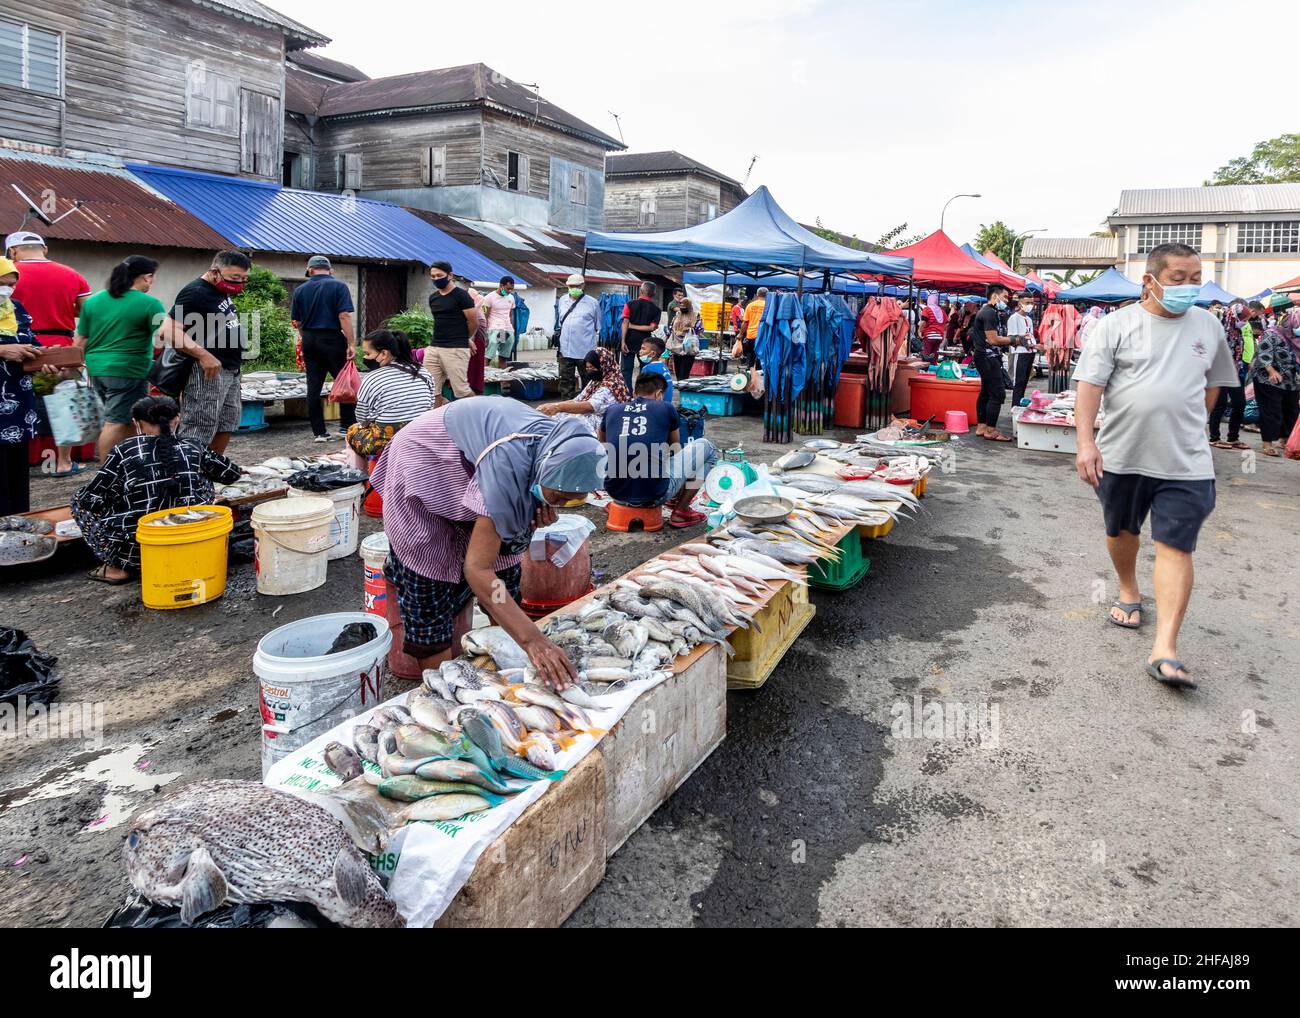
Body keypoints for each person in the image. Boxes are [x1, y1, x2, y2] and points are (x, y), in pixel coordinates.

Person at [1073, 242, 1238, 690]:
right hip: (1124, 455)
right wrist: (1086, 443)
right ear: (1150, 281)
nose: (1189, 287)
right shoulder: (1116, 325)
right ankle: (1128, 588)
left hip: (1187, 461)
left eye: (1195, 278)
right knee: (1122, 532)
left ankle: (1165, 649)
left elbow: (1213, 386)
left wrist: (1189, 425)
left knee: (1176, 545)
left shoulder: (1210, 326)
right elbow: (1089, 388)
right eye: (1178, 279)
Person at [371, 395, 605, 684]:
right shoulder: (509, 468)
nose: (557, 505)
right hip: (424, 464)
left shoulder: (560, 449)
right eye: (557, 497)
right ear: (546, 470)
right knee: (429, 582)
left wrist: (527, 520)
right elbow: (478, 570)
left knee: (504, 570)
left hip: (477, 467)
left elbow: (501, 551)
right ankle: (444, 686)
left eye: (569, 502)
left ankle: (509, 658)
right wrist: (533, 641)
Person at [70, 395, 241, 585]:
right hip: (195, 544)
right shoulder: (194, 446)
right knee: (202, 480)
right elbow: (231, 474)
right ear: (177, 418)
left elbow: (89, 499)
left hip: (137, 555)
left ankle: (115, 567)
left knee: (79, 500)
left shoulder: (124, 450)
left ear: (137, 423)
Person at [6, 230, 92, 476]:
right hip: (60, 348)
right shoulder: (71, 274)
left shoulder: (8, 274)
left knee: (18, 402)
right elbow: (89, 315)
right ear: (44, 249)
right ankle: (63, 462)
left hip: (16, 349)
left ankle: (20, 460)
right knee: (64, 403)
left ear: (13, 251)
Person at [155, 250, 250, 454]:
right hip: (206, 372)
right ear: (215, 272)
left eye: (243, 279)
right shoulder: (196, 292)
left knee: (226, 423)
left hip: (229, 369)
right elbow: (168, 331)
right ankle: (188, 476)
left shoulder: (219, 291)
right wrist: (204, 356)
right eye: (235, 278)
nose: (239, 283)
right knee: (199, 426)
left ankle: (211, 471)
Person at [75, 256, 166, 464]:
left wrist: (71, 366)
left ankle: (129, 464)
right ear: (147, 277)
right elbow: (164, 336)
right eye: (153, 278)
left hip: (96, 369)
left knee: (127, 419)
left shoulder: (95, 301)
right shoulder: (149, 303)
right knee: (115, 422)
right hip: (128, 370)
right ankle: (106, 472)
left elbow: (80, 339)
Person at [599, 370, 717, 529]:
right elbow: (675, 448)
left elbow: (604, 443)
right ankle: (681, 511)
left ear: (635, 392)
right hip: (654, 494)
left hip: (616, 493)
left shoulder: (613, 409)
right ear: (660, 394)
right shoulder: (666, 408)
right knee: (707, 448)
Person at [291, 255, 356, 443]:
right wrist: (351, 343)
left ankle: (319, 432)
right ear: (330, 270)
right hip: (332, 338)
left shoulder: (300, 290)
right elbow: (344, 315)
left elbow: (297, 321)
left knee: (314, 386)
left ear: (310, 271)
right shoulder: (339, 286)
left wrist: (307, 339)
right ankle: (347, 426)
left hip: (309, 339)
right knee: (345, 382)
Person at [0, 257, 47, 513]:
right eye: (1, 284)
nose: (6, 290)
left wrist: (45, 360)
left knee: (15, 471)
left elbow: (31, 343)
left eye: (11, 285)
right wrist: (3, 350)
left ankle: (16, 525)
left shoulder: (15, 308)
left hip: (17, 401)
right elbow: (9, 349)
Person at [347, 329, 436, 459]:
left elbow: (362, 417)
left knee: (352, 430)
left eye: (367, 353)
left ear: (384, 353)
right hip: (422, 436)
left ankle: (364, 475)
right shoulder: (422, 372)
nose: (365, 358)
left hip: (387, 443)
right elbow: (430, 405)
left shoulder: (372, 378)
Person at [537, 348, 629, 433]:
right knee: (556, 417)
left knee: (572, 424)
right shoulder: (596, 382)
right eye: (587, 368)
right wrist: (553, 406)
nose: (589, 371)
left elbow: (589, 406)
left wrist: (558, 407)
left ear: (603, 365)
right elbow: (578, 400)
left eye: (592, 368)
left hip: (606, 423)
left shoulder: (612, 385)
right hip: (592, 414)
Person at [424, 261, 478, 404]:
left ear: (450, 275)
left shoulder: (462, 296)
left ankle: (478, 414)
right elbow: (442, 322)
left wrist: (464, 338)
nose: (436, 279)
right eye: (433, 276)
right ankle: (435, 422)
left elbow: (473, 322)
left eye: (439, 275)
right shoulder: (433, 297)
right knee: (431, 390)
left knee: (461, 391)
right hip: (434, 348)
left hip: (455, 349)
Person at [1250, 307, 1300, 457]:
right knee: (1272, 411)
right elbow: (1263, 354)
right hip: (1268, 379)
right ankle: (1267, 443)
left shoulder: (1297, 340)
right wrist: (1271, 371)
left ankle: (1284, 440)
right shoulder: (1272, 334)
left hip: (1291, 381)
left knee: (1291, 411)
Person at [969, 285, 1013, 441]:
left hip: (985, 356)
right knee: (998, 393)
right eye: (1005, 297)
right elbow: (993, 339)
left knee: (986, 392)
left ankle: (982, 427)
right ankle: (991, 430)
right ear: (995, 296)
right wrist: (1014, 340)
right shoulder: (989, 313)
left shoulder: (989, 311)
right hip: (988, 357)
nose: (1007, 300)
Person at [1208, 300, 1249, 450]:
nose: (1245, 322)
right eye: (1243, 319)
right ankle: (1214, 437)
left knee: (1240, 403)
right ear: (1235, 316)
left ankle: (1233, 437)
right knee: (1220, 404)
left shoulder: (1237, 332)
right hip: (1219, 370)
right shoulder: (1220, 330)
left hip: (1234, 371)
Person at [554, 273, 599, 400]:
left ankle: (585, 406)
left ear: (583, 285)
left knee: (588, 381)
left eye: (576, 286)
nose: (573, 289)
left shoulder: (592, 303)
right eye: (571, 286)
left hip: (585, 349)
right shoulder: (562, 300)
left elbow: (597, 326)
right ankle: (567, 407)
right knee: (565, 381)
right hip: (565, 349)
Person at [620, 281, 661, 391]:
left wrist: (623, 341)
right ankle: (641, 393)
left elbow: (625, 323)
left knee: (626, 370)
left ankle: (627, 394)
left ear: (641, 291)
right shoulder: (656, 310)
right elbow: (652, 327)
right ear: (653, 294)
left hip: (628, 341)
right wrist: (633, 326)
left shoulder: (629, 304)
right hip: (646, 345)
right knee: (645, 370)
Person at [1005, 296, 1037, 408]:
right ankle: (1015, 406)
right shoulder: (1014, 318)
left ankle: (1020, 404)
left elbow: (1030, 335)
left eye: (1031, 303)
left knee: (1024, 381)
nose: (1030, 305)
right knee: (1018, 381)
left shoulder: (1029, 319)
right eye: (1027, 302)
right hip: (1019, 352)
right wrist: (1030, 343)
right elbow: (1012, 338)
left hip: (1030, 352)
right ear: (1020, 304)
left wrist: (1033, 346)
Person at [482, 276, 517, 368]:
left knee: (503, 356)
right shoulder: (489, 298)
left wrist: (512, 328)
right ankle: (485, 378)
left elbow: (510, 314)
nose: (509, 291)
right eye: (508, 288)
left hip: (507, 330)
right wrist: (485, 334)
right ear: (501, 285)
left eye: (511, 289)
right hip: (496, 328)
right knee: (489, 356)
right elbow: (484, 316)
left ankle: (503, 380)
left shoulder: (511, 298)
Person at [666, 296, 700, 380]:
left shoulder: (696, 316)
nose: (682, 307)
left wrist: (688, 332)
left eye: (684, 305)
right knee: (677, 371)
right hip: (676, 347)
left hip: (689, 348)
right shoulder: (677, 316)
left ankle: (683, 389)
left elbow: (699, 329)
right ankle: (680, 385)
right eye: (680, 305)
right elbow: (670, 328)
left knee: (684, 372)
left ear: (689, 306)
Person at [637, 335, 674, 402]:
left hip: (654, 405)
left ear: (653, 354)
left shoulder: (647, 369)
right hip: (666, 403)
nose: (640, 351)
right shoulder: (663, 366)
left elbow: (642, 392)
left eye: (643, 349)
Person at [740, 287, 768, 368]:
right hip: (764, 336)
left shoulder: (750, 305)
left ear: (757, 294)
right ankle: (759, 376)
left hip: (751, 335)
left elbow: (745, 322)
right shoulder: (769, 306)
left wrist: (741, 334)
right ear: (767, 295)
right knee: (761, 358)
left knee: (751, 357)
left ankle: (751, 374)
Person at [920, 292, 946, 361]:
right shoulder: (942, 310)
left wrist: (919, 331)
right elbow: (947, 322)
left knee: (926, 354)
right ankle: (934, 368)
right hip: (940, 336)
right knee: (935, 355)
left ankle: (926, 370)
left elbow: (923, 321)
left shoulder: (927, 309)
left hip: (929, 335)